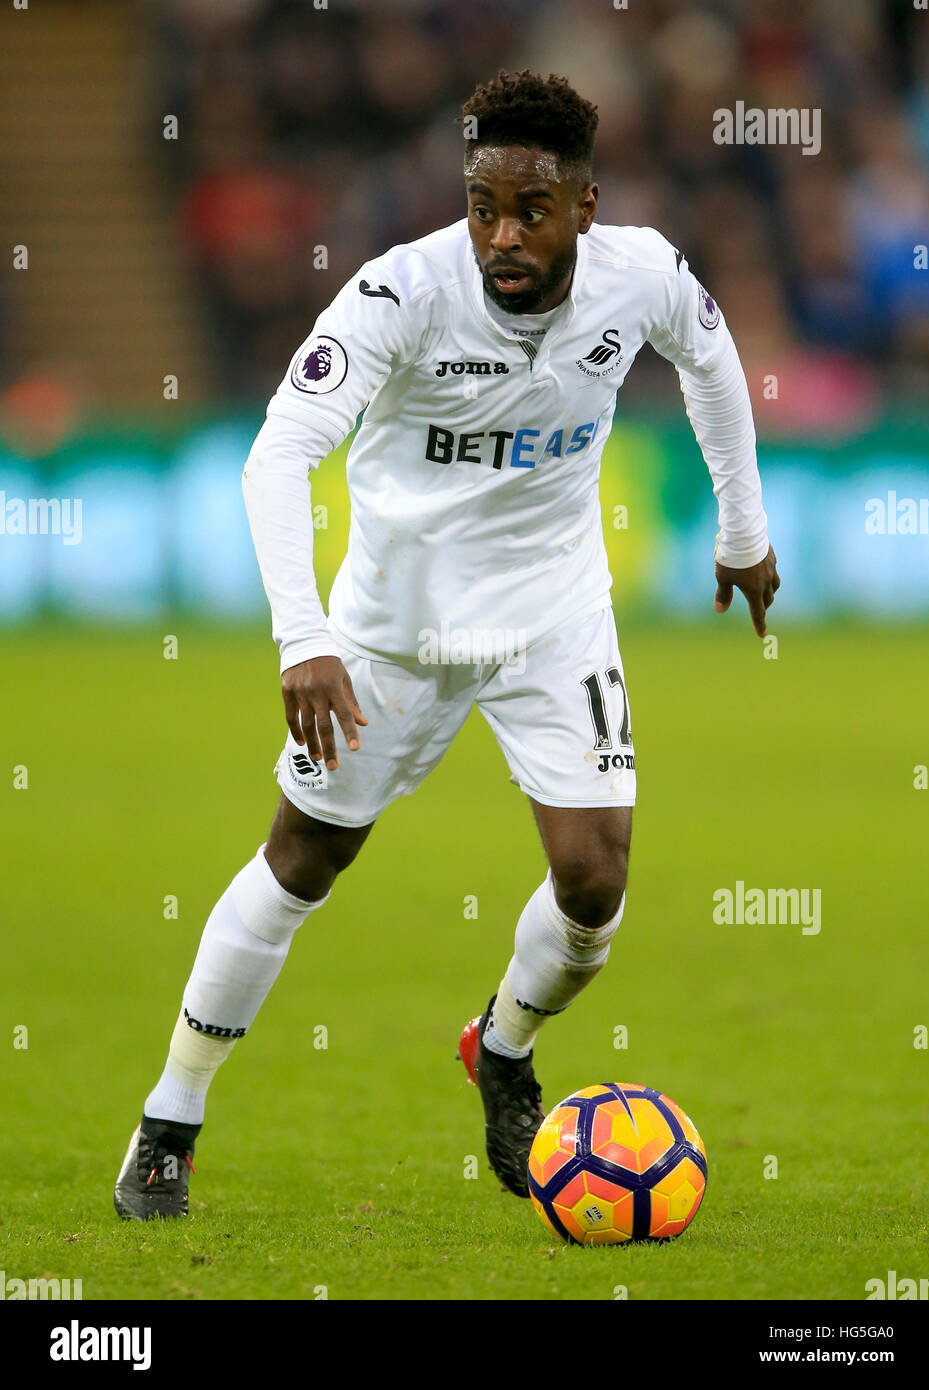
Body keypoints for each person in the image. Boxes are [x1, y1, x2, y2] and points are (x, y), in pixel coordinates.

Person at [115, 70, 779, 1219]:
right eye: (481, 206)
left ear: (583, 204)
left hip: (550, 614)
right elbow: (277, 457)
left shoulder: (641, 272)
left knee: (595, 886)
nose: (500, 235)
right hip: (390, 635)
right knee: (302, 861)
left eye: (529, 209)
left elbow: (713, 364)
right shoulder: (400, 295)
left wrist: (742, 527)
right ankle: (168, 1125)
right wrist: (302, 637)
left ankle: (503, 1046)